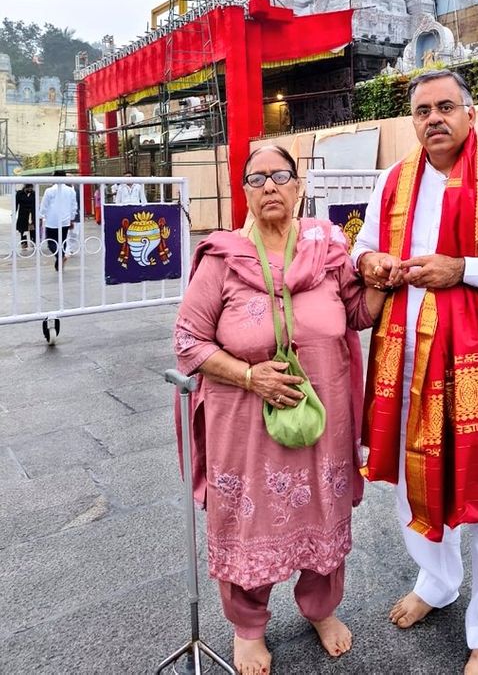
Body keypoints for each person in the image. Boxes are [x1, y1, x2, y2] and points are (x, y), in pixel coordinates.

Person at [352, 69, 478, 675]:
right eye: (422, 111)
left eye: (446, 107)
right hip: (409, 371)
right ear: (412, 122)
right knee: (416, 487)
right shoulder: (393, 183)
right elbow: (359, 246)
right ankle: (437, 582)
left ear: (471, 115)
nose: (434, 119)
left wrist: (464, 268)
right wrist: (374, 262)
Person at [173, 145, 386, 675]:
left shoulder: (328, 244)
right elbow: (188, 341)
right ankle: (248, 629)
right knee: (249, 525)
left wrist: (383, 282)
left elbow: (357, 313)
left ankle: (320, 609)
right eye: (257, 178)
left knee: (324, 514)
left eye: (281, 176)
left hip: (323, 420)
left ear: (299, 185)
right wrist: (250, 375)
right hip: (246, 429)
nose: (270, 186)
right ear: (243, 191)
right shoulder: (221, 258)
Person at [39, 170, 78, 271]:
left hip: (52, 220)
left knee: (51, 242)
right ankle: (60, 261)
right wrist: (72, 218)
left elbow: (44, 206)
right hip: (65, 220)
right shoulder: (70, 191)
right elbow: (74, 206)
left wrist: (41, 215)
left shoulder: (49, 191)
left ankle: (60, 257)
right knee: (62, 241)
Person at [15, 183, 36, 249]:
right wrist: (14, 212)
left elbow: (36, 204)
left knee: (32, 228)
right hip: (23, 213)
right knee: (23, 229)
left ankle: (33, 241)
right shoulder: (19, 193)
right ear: (25, 187)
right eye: (29, 188)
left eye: (31, 188)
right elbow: (16, 203)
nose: (30, 189)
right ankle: (24, 243)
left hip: (32, 213)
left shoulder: (34, 193)